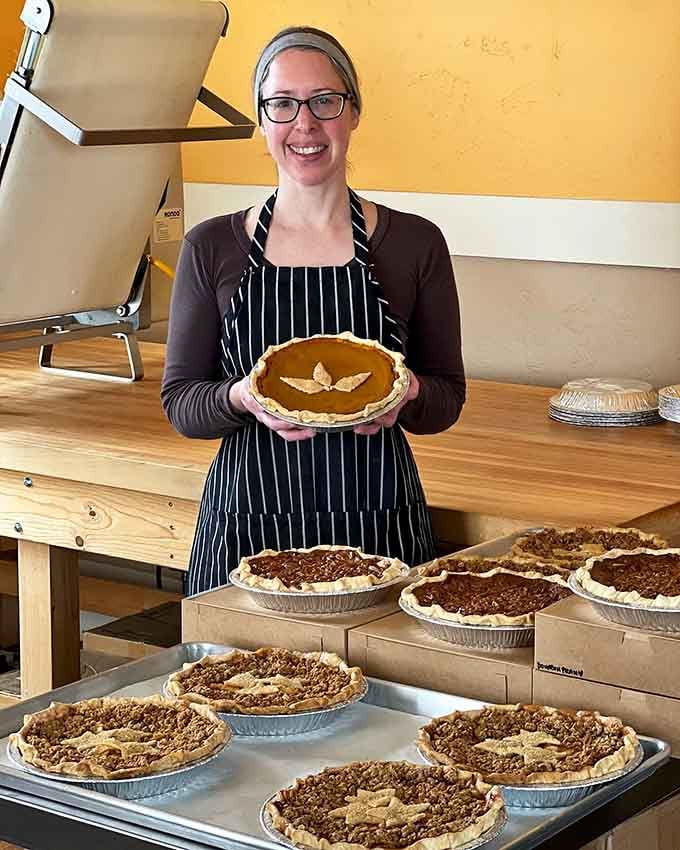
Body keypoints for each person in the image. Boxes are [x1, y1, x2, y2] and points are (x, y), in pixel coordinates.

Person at [162, 26, 466, 595]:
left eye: (325, 101)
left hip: (379, 522)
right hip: (247, 520)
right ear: (262, 117)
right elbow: (181, 403)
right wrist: (242, 397)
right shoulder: (212, 246)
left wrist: (409, 394)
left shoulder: (414, 244)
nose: (305, 124)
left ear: (353, 112)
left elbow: (447, 396)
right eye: (282, 104)